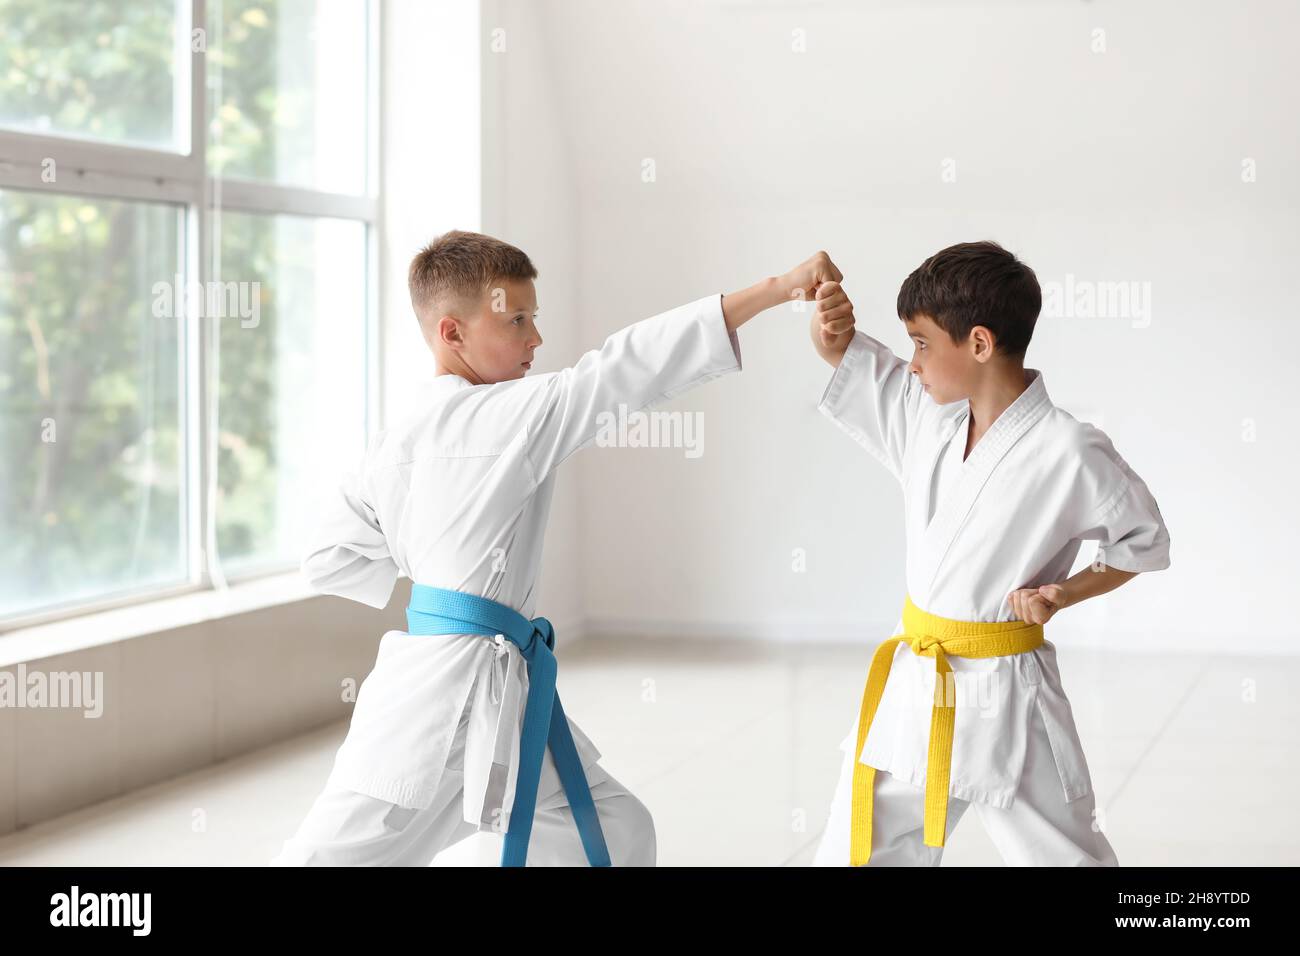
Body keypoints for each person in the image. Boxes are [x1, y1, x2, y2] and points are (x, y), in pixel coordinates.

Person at [271, 229, 843, 865]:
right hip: (446, 698)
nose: (534, 339)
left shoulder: (396, 435)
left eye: (533, 318)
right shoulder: (514, 413)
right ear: (452, 333)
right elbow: (627, 367)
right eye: (515, 320)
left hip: (477, 686)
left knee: (614, 829)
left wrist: (432, 563)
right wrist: (775, 289)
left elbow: (327, 555)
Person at [807, 240, 1171, 866]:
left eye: (921, 344)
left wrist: (1066, 591)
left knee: (1061, 855)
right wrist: (830, 330)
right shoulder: (930, 420)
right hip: (919, 678)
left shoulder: (1068, 449)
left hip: (1008, 696)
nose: (912, 364)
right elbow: (851, 362)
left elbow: (1142, 542)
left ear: (978, 344)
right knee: (859, 845)